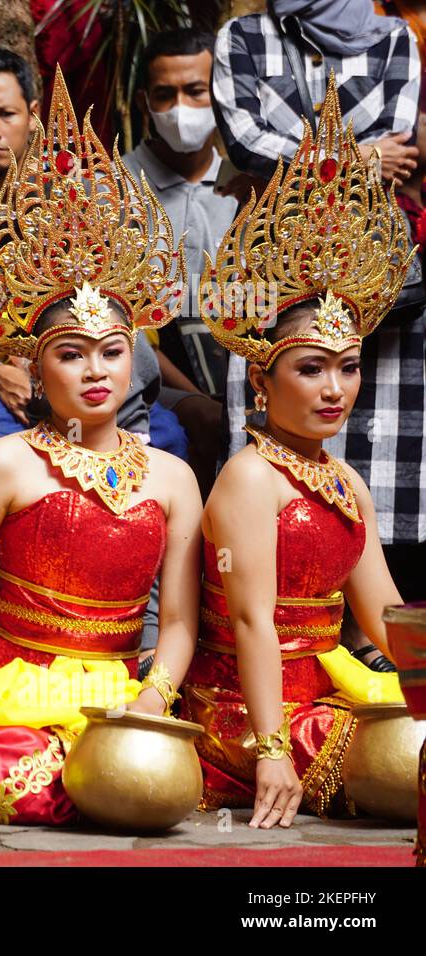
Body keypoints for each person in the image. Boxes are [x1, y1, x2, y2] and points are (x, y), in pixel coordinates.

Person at [0, 70, 203, 826]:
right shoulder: (5, 463)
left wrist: (153, 697)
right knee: (31, 784)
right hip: (9, 690)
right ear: (35, 362)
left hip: (120, 691)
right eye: (71, 354)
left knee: (159, 786)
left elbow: (180, 623)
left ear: (134, 358)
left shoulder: (174, 477)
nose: (95, 372)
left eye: (112, 351)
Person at [186, 83, 408, 828]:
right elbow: (250, 622)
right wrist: (271, 745)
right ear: (262, 377)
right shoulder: (252, 476)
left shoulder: (342, 481)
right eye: (311, 368)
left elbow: (384, 620)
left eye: (347, 367)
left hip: (322, 698)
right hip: (244, 710)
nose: (334, 388)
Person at [0, 47, 185, 610]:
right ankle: (7, 586)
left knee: (172, 441)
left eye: (5, 113)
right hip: (7, 390)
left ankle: (150, 604)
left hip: (102, 377)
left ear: (33, 114)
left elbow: (124, 314)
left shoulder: (83, 201)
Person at [215, 0, 426, 619]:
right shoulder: (243, 37)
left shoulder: (392, 38)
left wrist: (304, 156)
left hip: (371, 259)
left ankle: (370, 630)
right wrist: (358, 157)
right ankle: (264, 619)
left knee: (381, 448)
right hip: (264, 257)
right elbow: (245, 141)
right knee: (263, 424)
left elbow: (401, 140)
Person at [122, 28, 237, 500]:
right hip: (149, 385)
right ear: (146, 101)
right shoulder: (114, 189)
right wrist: (192, 398)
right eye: (165, 94)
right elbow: (120, 322)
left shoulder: (249, 187)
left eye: (195, 91)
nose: (180, 108)